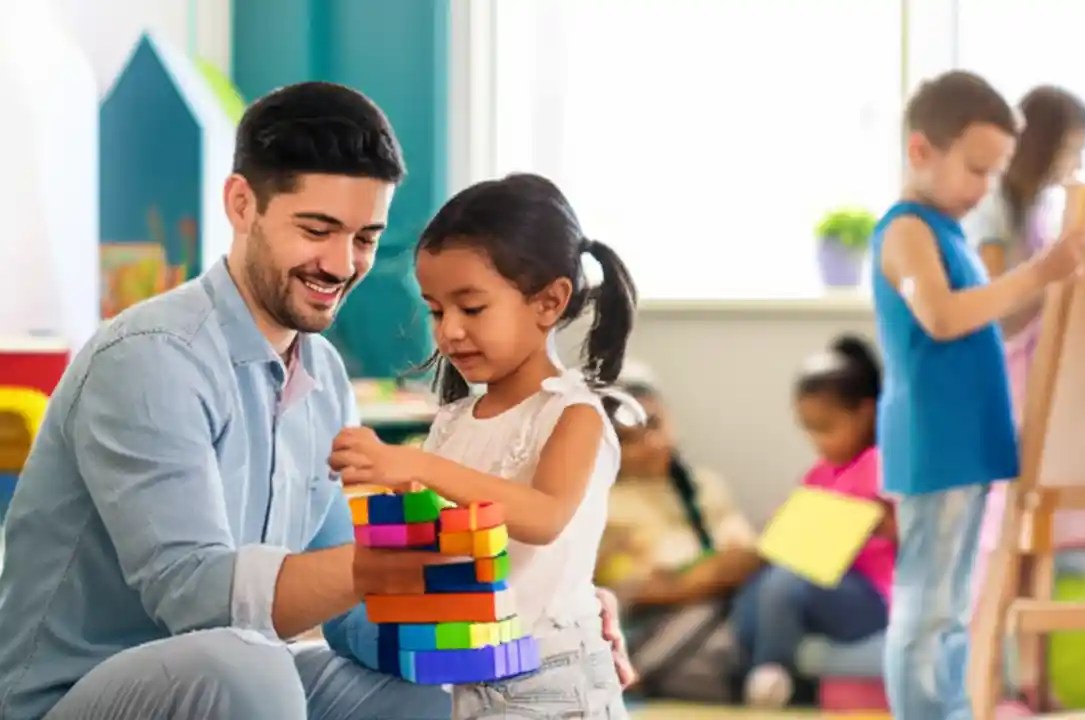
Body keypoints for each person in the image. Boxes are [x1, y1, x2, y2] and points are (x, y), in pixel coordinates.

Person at [0, 82, 631, 720]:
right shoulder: (151, 357)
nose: (341, 263)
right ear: (243, 205)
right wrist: (390, 562)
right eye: (317, 229)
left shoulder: (323, 377)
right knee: (249, 667)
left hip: (237, 671)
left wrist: (526, 616)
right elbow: (194, 599)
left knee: (421, 698)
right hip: (76, 695)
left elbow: (348, 604)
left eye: (364, 238)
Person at [328, 172, 635, 718]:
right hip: (472, 677)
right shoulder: (454, 420)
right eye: (436, 310)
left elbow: (544, 517)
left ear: (549, 302)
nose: (448, 333)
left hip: (555, 679)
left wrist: (417, 464)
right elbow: (446, 540)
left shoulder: (572, 414)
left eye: (471, 309)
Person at [869, 70, 1085, 719]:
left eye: (996, 174)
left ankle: (953, 708)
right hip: (934, 447)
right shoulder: (908, 230)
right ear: (921, 152)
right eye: (975, 169)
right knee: (927, 604)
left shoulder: (948, 232)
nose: (985, 188)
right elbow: (942, 317)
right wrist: (1037, 274)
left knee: (954, 605)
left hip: (965, 447)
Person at [964, 85, 1085, 711]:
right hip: (1003, 383)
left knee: (1030, 544)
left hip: (1036, 380)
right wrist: (1055, 280)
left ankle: (1028, 687)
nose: (1074, 162)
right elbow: (996, 304)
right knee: (998, 545)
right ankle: (988, 687)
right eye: (1070, 147)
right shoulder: (995, 209)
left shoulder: (1035, 214)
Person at [731, 334, 896, 709]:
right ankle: (749, 673)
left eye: (825, 427)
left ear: (865, 413)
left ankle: (772, 672)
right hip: (819, 586)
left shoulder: (880, 464)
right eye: (808, 428)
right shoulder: (820, 474)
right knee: (759, 586)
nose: (816, 440)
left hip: (870, 597)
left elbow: (909, 532)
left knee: (786, 582)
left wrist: (878, 522)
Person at [596, 364, 762, 704]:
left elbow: (746, 554)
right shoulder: (605, 504)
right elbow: (637, 591)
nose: (651, 444)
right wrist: (710, 575)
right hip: (653, 624)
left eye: (655, 425)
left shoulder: (706, 487)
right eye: (631, 440)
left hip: (727, 612)